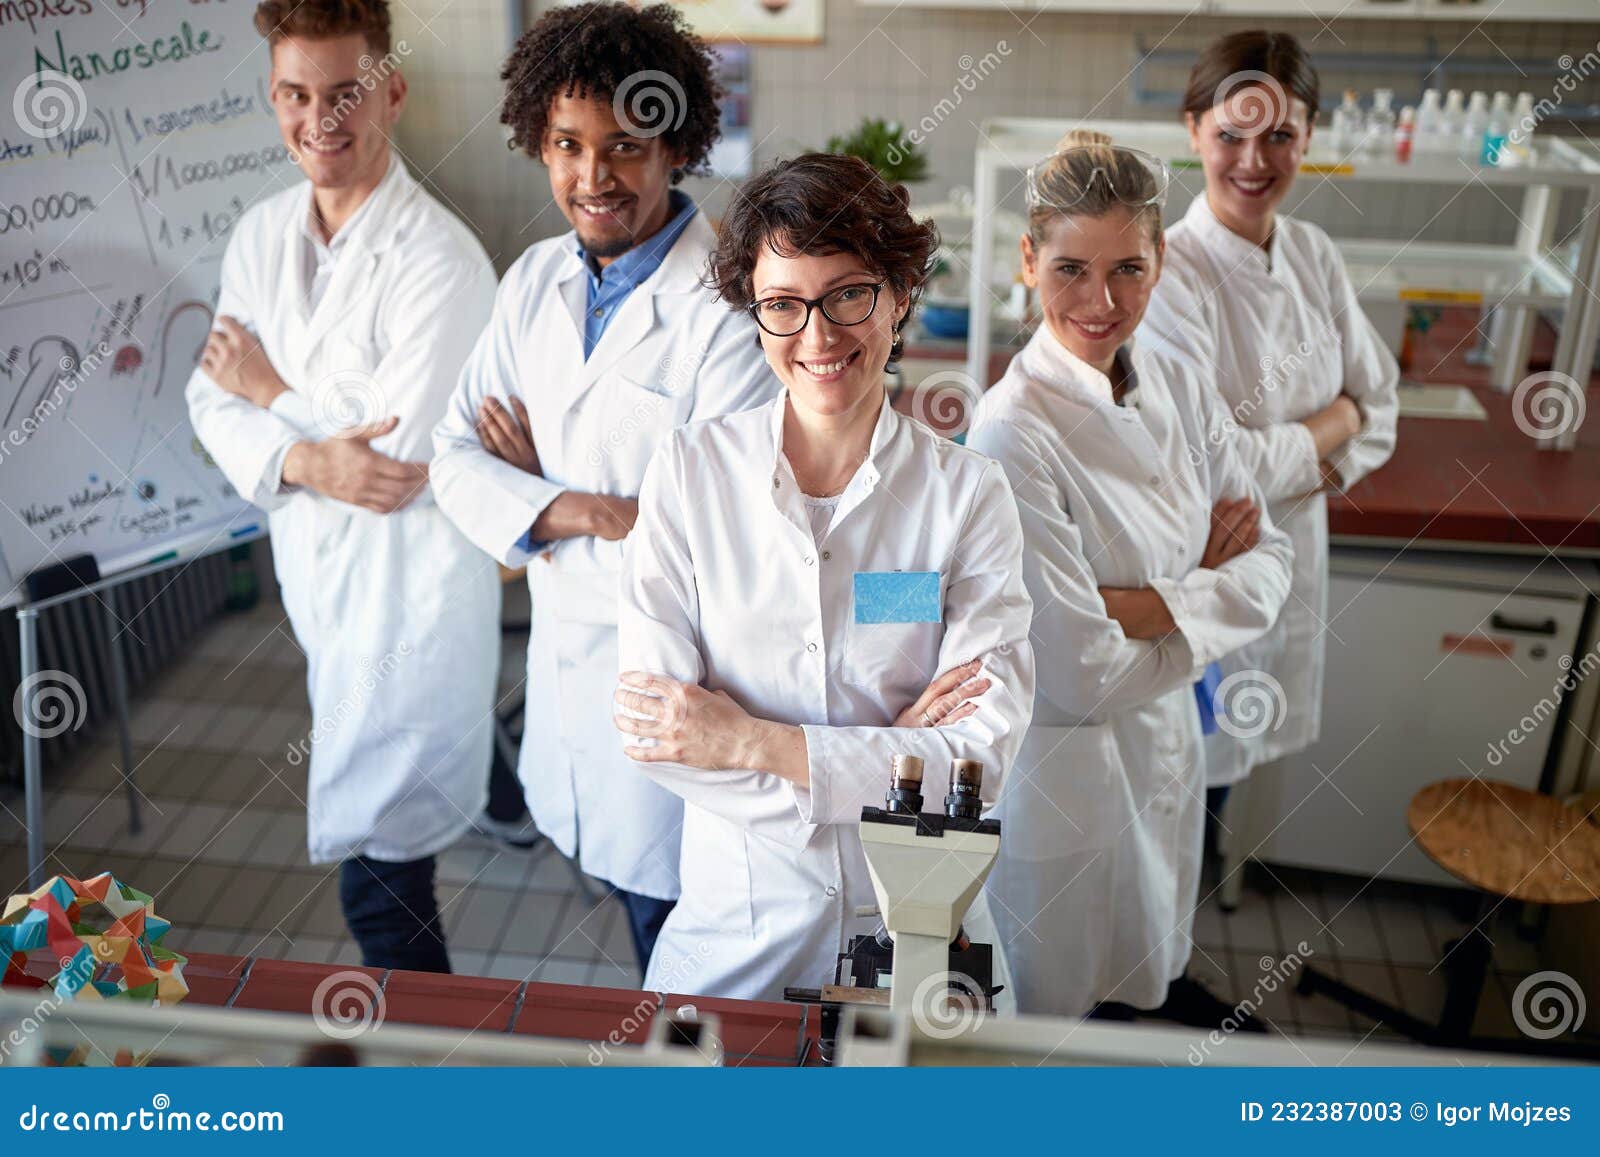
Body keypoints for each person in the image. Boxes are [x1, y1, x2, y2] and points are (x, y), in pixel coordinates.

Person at [611, 154, 1036, 1003]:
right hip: (739, 934)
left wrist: (752, 741)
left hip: (923, 926)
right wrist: (898, 761)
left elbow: (979, 762)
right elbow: (656, 732)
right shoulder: (690, 474)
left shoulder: (968, 495)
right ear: (755, 313)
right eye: (782, 305)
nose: (818, 337)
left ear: (900, 294)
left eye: (848, 294)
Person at [430, 2, 777, 974]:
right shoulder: (532, 280)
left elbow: (718, 540)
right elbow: (452, 455)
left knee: (688, 952)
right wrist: (577, 504)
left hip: (682, 694)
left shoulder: (728, 311)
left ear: (675, 146)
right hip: (568, 686)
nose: (592, 178)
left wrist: (536, 498)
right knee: (633, 925)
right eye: (566, 145)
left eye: (624, 146)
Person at [186, 0, 499, 973]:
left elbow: (392, 465)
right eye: (295, 93)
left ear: (391, 92)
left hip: (412, 600)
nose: (318, 119)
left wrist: (271, 391)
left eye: (344, 92)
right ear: (273, 98)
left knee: (379, 881)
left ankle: (426, 1082)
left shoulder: (440, 259)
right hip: (323, 582)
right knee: (388, 858)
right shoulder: (259, 234)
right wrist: (308, 454)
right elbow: (210, 393)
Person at [966, 131, 1293, 1022]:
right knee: (1056, 1027)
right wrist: (1204, 591)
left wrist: (1144, 608)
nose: (1100, 302)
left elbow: (1275, 559)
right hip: (1065, 780)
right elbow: (1077, 674)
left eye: (1129, 270)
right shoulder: (1011, 433)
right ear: (1028, 258)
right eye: (1071, 267)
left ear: (1160, 265)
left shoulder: (1181, 383)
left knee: (1147, 973)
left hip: (1165, 750)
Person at [1141, 31, 1398, 820]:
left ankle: (1219, 916)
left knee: (1243, 763)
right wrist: (1334, 420)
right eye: (1231, 136)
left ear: (1309, 135)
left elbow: (1382, 405)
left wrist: (1331, 441)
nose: (1254, 161)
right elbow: (1215, 458)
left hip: (1293, 558)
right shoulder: (1168, 271)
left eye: (1279, 135)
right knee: (1188, 772)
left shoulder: (1315, 253)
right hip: (1208, 564)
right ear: (1193, 132)